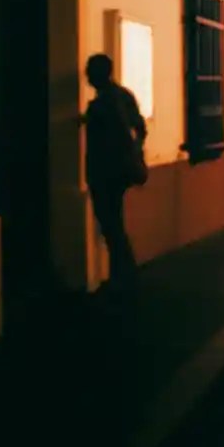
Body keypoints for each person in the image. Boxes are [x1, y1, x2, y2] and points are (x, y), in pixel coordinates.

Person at [82, 53, 146, 292]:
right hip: (120, 172)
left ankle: (125, 277)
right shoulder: (124, 95)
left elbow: (112, 134)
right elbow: (139, 128)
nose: (86, 76)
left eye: (89, 72)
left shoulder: (102, 104)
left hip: (105, 172)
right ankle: (125, 276)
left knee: (111, 226)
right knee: (114, 224)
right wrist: (134, 153)